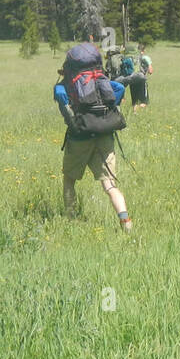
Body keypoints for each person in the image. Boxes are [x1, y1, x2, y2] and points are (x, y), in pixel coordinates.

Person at [55, 51, 133, 232]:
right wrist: (108, 111)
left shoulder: (65, 85)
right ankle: (125, 221)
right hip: (104, 134)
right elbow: (120, 89)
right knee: (109, 184)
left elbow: (60, 97)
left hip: (80, 137)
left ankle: (71, 219)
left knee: (69, 180)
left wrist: (72, 116)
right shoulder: (100, 80)